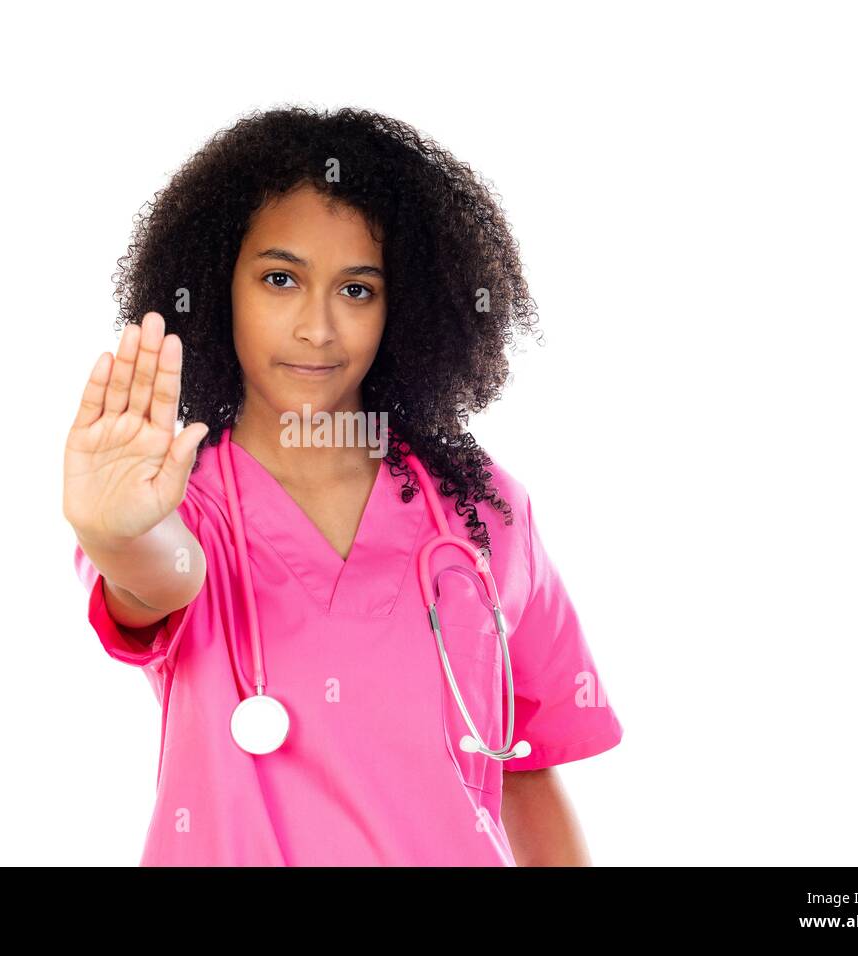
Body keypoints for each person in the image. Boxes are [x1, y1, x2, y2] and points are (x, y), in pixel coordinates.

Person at [62, 106, 623, 866]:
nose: (317, 327)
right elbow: (157, 580)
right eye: (280, 279)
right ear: (218, 283)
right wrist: (116, 535)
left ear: (407, 308)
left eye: (357, 290)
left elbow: (525, 771)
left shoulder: (486, 513)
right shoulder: (176, 503)